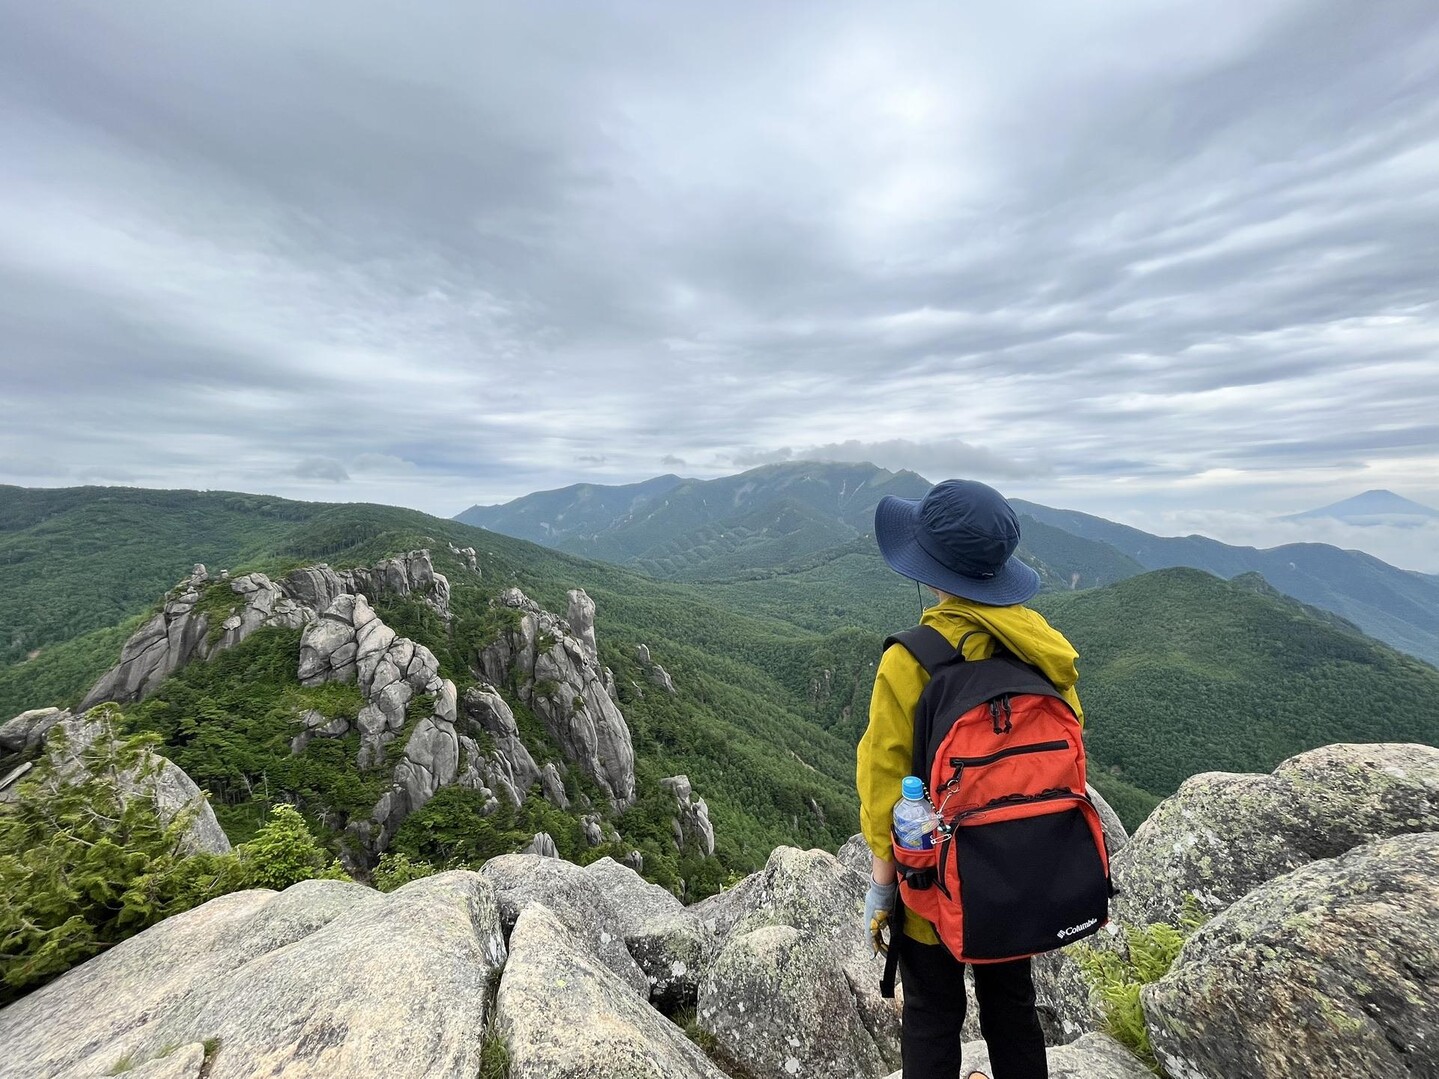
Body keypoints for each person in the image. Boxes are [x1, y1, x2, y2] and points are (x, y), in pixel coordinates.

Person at [857, 478, 1084, 1079]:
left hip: (934, 886)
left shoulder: (910, 659)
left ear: (929, 570)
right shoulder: (1045, 651)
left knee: (931, 1013)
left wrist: (884, 890)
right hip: (1018, 878)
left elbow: (884, 783)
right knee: (1013, 1009)